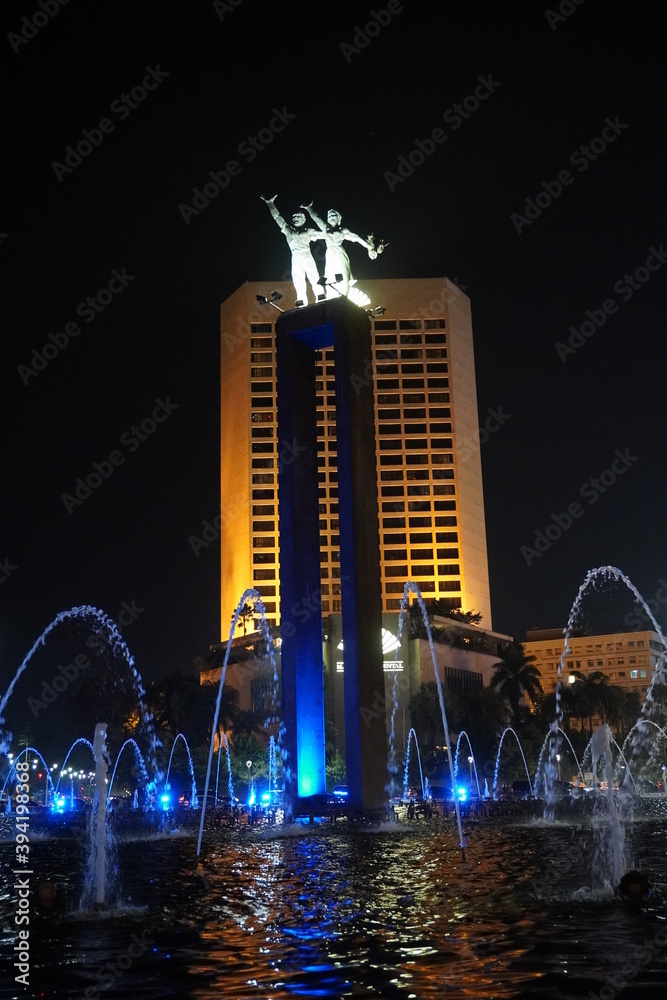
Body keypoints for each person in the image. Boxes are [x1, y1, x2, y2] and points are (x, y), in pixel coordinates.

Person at [301, 203, 383, 298]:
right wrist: (308, 208)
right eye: (329, 216)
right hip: (330, 255)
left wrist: (370, 247)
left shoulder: (342, 231)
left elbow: (356, 238)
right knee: (330, 277)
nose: (331, 217)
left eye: (334, 215)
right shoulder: (325, 229)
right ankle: (332, 299)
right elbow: (317, 218)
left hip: (340, 254)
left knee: (343, 276)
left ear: (339, 219)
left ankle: (344, 298)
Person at [260, 194, 324, 306]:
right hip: (295, 256)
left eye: (297, 217)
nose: (294, 219)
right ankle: (301, 300)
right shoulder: (289, 230)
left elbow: (325, 235)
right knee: (298, 279)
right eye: (293, 217)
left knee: (314, 276)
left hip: (306, 255)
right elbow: (277, 217)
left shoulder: (308, 231)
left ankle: (320, 295)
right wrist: (270, 204)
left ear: (303, 219)